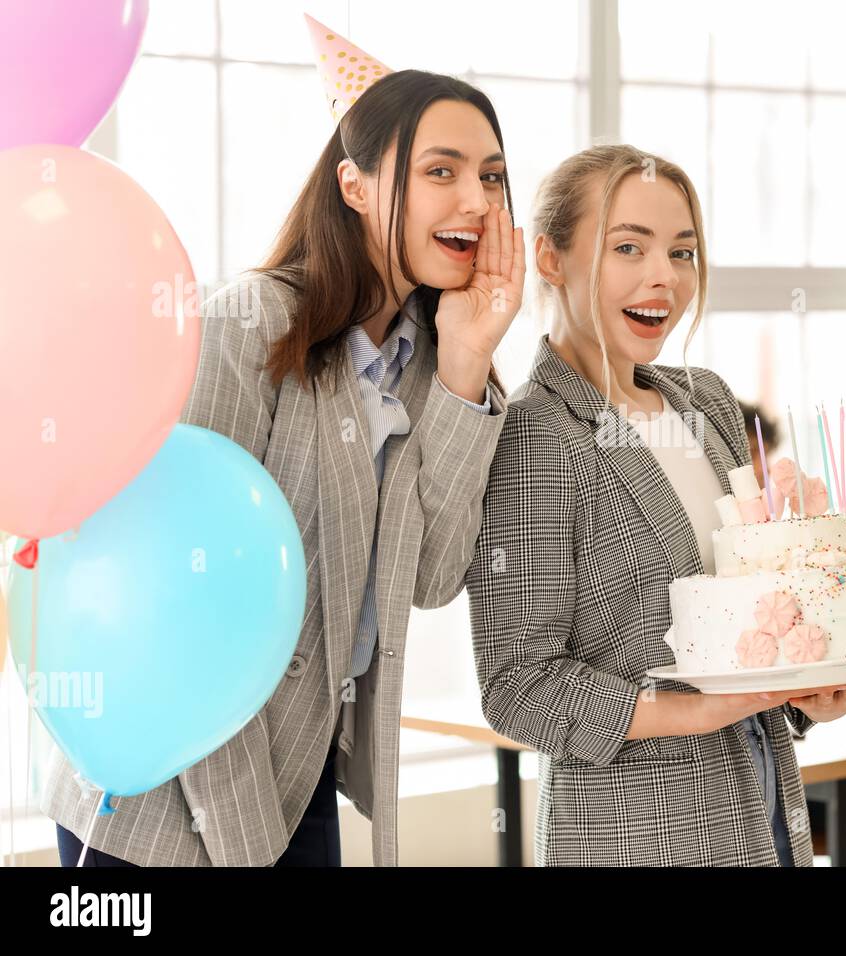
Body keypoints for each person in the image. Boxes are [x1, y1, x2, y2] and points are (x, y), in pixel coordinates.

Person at [44, 70, 525, 866]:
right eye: (441, 171)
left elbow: (432, 576)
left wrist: (468, 361)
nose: (476, 200)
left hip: (294, 777)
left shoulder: (429, 362)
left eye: (492, 176)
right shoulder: (250, 326)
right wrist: (244, 844)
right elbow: (179, 609)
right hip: (160, 786)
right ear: (355, 185)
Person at [464, 145, 846, 866]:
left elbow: (737, 626)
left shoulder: (708, 403)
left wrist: (802, 695)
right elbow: (517, 686)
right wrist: (698, 711)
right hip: (639, 839)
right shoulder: (537, 433)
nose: (664, 276)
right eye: (628, 247)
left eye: (682, 251)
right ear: (550, 258)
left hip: (766, 819)